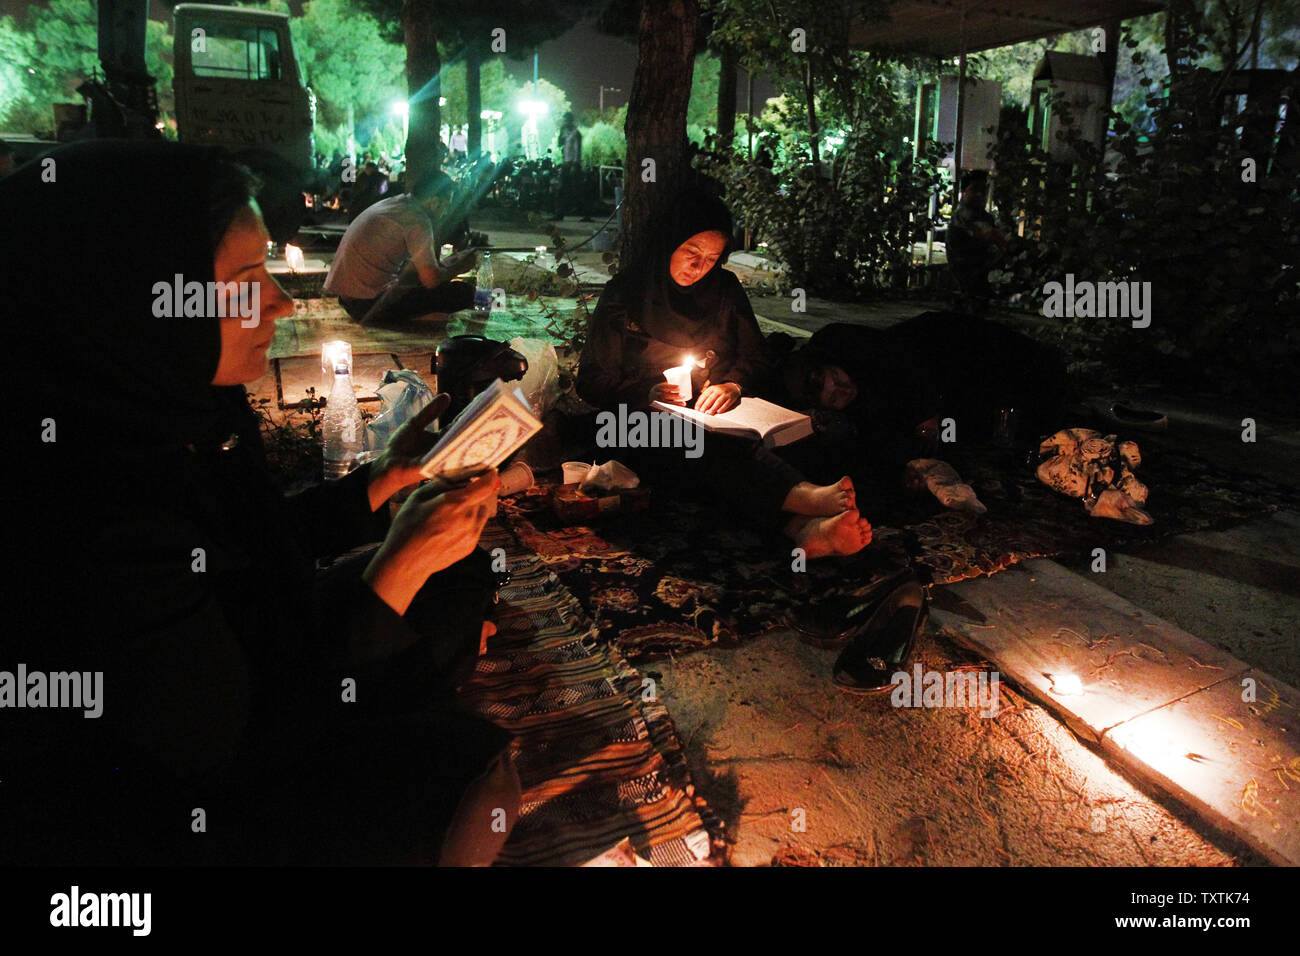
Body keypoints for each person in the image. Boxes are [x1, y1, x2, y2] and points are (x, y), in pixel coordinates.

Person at [4, 141, 518, 866]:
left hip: (249, 654)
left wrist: (385, 480)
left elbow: (256, 542)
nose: (278, 300)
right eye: (245, 280)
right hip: (174, 797)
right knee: (472, 784)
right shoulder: (82, 503)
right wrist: (397, 568)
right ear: (140, 295)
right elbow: (238, 740)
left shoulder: (179, 407)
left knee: (459, 580)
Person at [576, 189, 872, 559]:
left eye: (712, 258)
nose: (699, 268)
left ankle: (804, 529)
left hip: (716, 416)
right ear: (668, 243)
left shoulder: (724, 291)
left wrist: (732, 384)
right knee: (696, 443)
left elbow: (757, 357)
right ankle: (802, 497)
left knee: (742, 443)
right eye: (691, 254)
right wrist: (646, 392)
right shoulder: (625, 294)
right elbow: (590, 380)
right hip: (636, 426)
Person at [325, 169, 477, 325]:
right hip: (367, 307)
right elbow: (431, 280)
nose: (446, 211)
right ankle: (416, 317)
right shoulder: (418, 220)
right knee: (463, 292)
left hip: (347, 298)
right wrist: (460, 266)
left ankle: (417, 313)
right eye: (447, 204)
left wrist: (444, 266)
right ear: (434, 202)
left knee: (417, 283)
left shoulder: (398, 204)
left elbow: (416, 272)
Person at [946, 169, 1008, 301]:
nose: (980, 195)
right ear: (964, 193)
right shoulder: (960, 219)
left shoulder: (986, 218)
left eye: (983, 191)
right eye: (974, 190)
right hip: (969, 279)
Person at [552, 112, 584, 220]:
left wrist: (575, 165)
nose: (565, 123)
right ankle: (559, 213)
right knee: (561, 189)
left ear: (571, 121)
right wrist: (560, 134)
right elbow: (559, 145)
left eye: (566, 120)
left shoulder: (576, 133)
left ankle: (584, 213)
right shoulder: (565, 133)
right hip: (566, 163)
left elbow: (577, 150)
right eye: (564, 120)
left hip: (573, 164)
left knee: (576, 190)